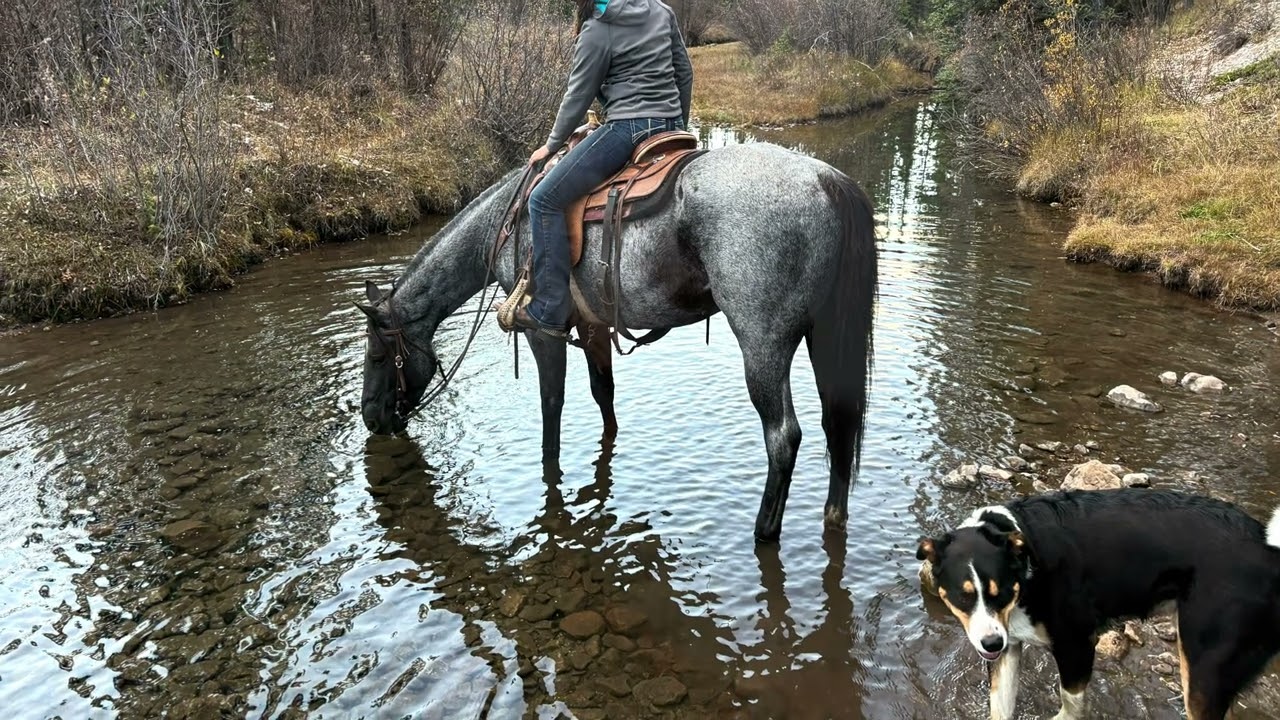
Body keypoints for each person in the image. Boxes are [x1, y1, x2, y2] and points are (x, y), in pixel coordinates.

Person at [510, 0, 694, 338]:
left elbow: (578, 95)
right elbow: (684, 73)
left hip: (628, 129)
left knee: (543, 199)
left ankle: (549, 307)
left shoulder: (598, 28)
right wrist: (678, 125)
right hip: (670, 126)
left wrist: (552, 145)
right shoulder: (661, 10)